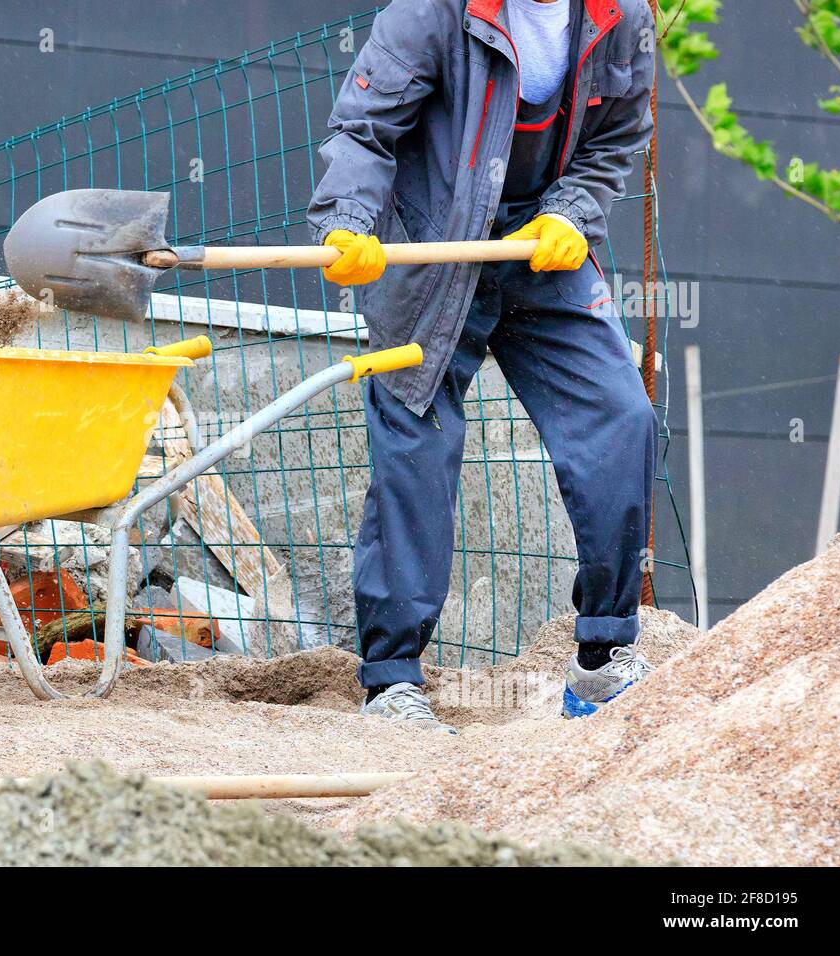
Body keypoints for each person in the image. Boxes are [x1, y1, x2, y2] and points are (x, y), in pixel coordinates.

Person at [307, 0, 658, 729]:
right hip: (434, 247)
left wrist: (570, 212)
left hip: (541, 246)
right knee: (417, 451)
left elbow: (617, 138)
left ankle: (602, 657)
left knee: (622, 420)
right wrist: (348, 221)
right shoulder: (432, 12)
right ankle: (394, 681)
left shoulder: (620, 17)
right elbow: (365, 130)